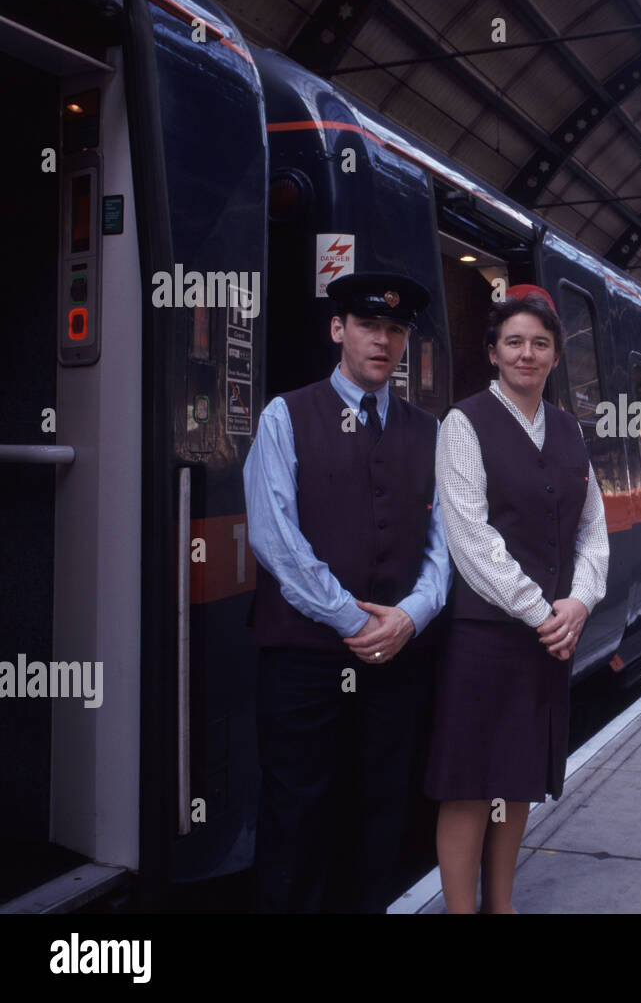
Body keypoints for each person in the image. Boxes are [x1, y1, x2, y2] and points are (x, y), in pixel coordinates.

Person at [243, 271, 452, 914]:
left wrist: (411, 617)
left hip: (396, 658)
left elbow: (445, 548)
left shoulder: (432, 431)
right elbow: (275, 538)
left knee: (380, 811)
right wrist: (351, 621)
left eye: (395, 330)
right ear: (339, 331)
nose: (382, 340)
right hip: (304, 658)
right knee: (296, 813)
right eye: (368, 326)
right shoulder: (286, 415)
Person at [425, 286, 609, 914]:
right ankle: (461, 910)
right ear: (493, 354)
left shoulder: (568, 431)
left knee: (517, 779)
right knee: (470, 784)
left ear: (555, 357)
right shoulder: (464, 424)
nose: (526, 354)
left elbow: (592, 531)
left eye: (539, 344)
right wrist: (544, 612)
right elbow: (470, 537)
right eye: (514, 343)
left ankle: (501, 906)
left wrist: (580, 601)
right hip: (485, 635)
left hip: (549, 633)